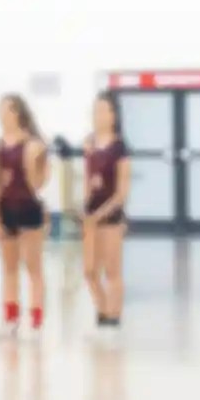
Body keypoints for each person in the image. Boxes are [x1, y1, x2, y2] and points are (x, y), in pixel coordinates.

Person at [0, 94, 49, 335]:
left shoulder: (34, 144)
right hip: (6, 209)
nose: (2, 116)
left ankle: (36, 319)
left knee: (33, 267)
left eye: (7, 110)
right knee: (9, 268)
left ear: (18, 113)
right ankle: (10, 319)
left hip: (29, 208)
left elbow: (38, 184)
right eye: (0, 111)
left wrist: (31, 162)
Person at [82, 91, 131, 332]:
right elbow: (88, 179)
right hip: (90, 216)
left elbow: (121, 191)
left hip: (110, 217)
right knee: (89, 270)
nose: (98, 115)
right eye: (95, 110)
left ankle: (114, 315)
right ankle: (102, 308)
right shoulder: (89, 143)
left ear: (113, 114)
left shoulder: (120, 148)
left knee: (112, 271)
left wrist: (102, 213)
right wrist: (86, 210)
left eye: (103, 110)